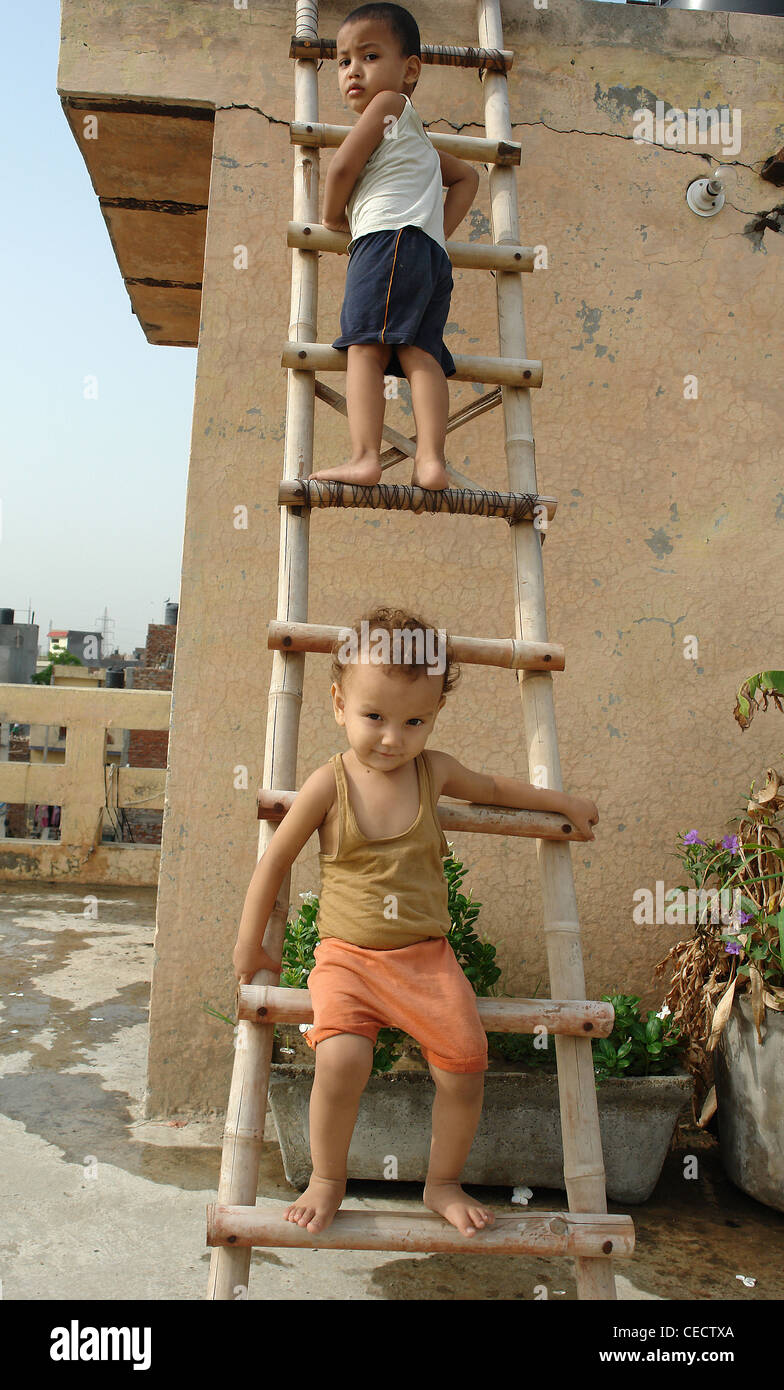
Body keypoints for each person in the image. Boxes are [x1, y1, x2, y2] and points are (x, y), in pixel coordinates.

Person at [233, 606, 600, 1238]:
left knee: (465, 1065)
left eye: (415, 721)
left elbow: (493, 788)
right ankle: (327, 1178)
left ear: (434, 716)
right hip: (346, 958)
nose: (391, 738)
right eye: (373, 716)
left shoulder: (434, 772)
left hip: (426, 960)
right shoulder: (329, 784)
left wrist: (560, 801)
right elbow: (274, 864)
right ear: (338, 703)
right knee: (342, 1061)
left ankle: (441, 1183)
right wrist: (248, 946)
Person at [308, 4, 480, 492]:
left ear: (409, 70)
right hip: (427, 256)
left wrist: (332, 218)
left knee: (364, 345)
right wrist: (436, 233)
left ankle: (365, 456)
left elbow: (342, 166)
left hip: (386, 243)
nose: (352, 71)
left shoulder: (388, 106)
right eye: (343, 62)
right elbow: (468, 177)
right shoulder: (418, 143)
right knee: (419, 352)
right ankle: (430, 461)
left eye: (368, 55)